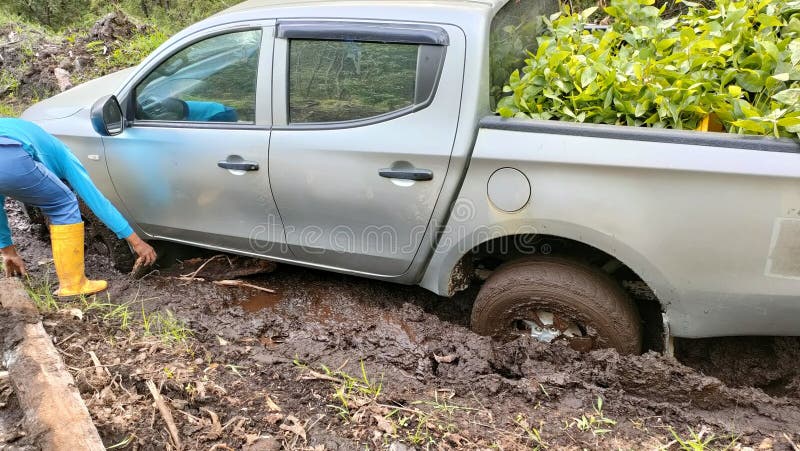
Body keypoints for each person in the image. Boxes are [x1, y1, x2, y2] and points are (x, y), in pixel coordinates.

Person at [0, 118, 156, 296]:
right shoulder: (63, 155)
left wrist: (8, 252)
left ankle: (19, 260)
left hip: (9, 149)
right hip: (9, 153)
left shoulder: (23, 132)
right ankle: (73, 285)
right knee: (63, 205)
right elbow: (97, 201)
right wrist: (137, 242)